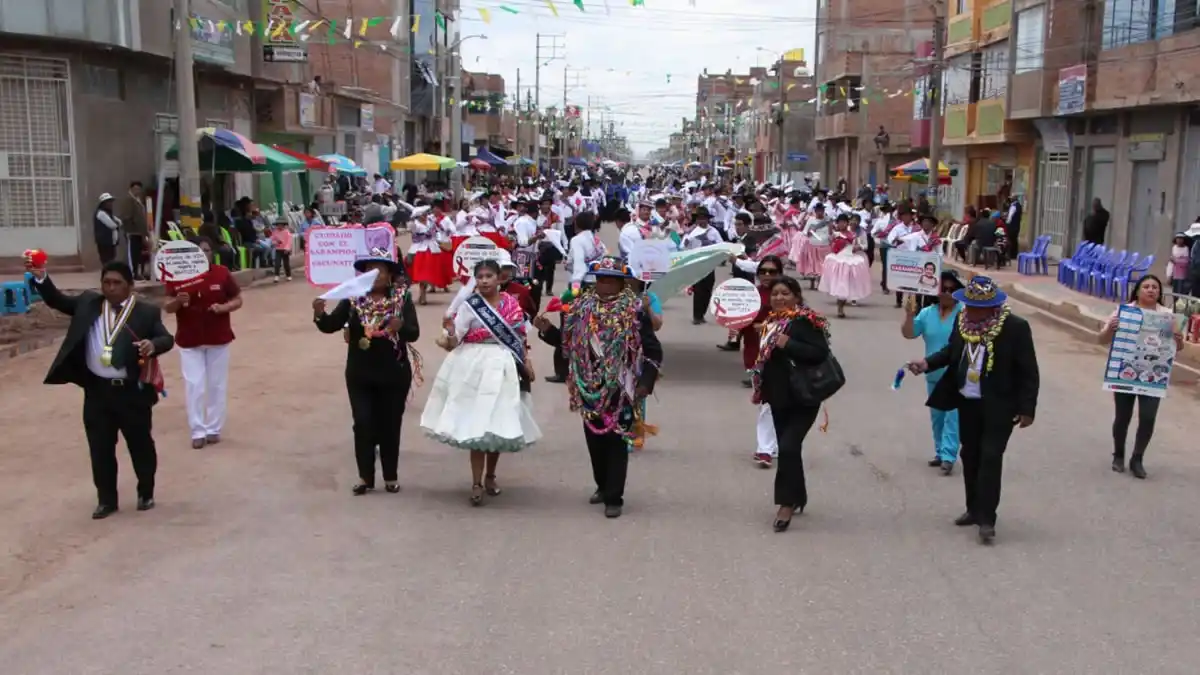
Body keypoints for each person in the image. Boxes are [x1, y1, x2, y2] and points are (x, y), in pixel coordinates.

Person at [26, 257, 175, 518]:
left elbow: (165, 337)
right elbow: (57, 300)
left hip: (131, 392)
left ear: (129, 286)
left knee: (140, 445)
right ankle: (106, 500)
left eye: (117, 283)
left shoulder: (145, 311)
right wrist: (41, 277)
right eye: (106, 282)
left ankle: (145, 493)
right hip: (97, 391)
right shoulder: (88, 304)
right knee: (100, 447)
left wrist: (153, 345)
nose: (111, 288)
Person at [906, 276, 1040, 545]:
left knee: (991, 456)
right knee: (970, 454)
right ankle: (973, 508)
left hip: (999, 405)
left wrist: (1027, 409)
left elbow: (1029, 372)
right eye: (968, 305)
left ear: (993, 306)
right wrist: (926, 363)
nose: (973, 311)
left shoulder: (1015, 327)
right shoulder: (962, 321)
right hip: (968, 401)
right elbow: (950, 352)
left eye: (979, 307)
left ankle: (988, 519)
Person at [548, 256, 662, 518]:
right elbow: (566, 345)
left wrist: (645, 383)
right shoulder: (580, 309)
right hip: (588, 385)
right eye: (601, 280)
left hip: (620, 387)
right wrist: (546, 331)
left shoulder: (634, 312)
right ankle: (602, 484)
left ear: (622, 284)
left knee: (617, 441)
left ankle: (614, 496)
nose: (606, 285)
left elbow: (653, 351)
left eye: (612, 280)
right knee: (595, 441)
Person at [421, 260, 541, 505]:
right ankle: (476, 482)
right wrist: (451, 331)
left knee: (495, 421)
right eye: (481, 277)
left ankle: (491, 476)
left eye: (489, 276)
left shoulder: (511, 304)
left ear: (500, 278)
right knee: (477, 424)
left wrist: (526, 361)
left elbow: (519, 335)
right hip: (473, 365)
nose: (485, 280)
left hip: (503, 364)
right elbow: (454, 342)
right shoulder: (469, 306)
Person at [313, 249, 421, 495]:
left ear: (390, 275)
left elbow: (414, 333)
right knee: (362, 423)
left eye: (380, 270)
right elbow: (331, 325)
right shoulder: (353, 299)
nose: (375, 275)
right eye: (370, 269)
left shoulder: (402, 299)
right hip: (360, 372)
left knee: (390, 425)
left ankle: (391, 476)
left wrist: (400, 327)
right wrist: (319, 314)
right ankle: (365, 477)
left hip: (394, 372)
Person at [750, 276, 831, 532]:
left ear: (796, 296)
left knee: (786, 446)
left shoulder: (805, 321)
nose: (779, 298)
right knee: (789, 448)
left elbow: (820, 352)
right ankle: (799, 495)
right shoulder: (771, 322)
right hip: (778, 396)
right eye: (775, 294)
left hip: (804, 396)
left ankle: (785, 504)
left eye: (785, 293)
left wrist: (789, 344)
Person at [1098, 274, 1185, 479]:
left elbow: (1176, 348)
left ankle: (1137, 458)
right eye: (1146, 286)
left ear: (1160, 293)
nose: (1151, 290)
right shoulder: (1123, 311)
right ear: (1137, 291)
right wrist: (1110, 329)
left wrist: (1178, 339)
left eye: (1155, 287)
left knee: (1148, 417)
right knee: (1123, 416)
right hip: (1125, 373)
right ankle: (1118, 454)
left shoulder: (1168, 316)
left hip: (1153, 376)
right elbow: (1100, 339)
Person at [163, 236, 243, 449]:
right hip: (190, 340)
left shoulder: (221, 273)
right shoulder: (177, 276)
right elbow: (167, 306)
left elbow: (237, 299)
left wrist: (224, 308)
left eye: (206, 250)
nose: (202, 254)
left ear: (211, 253)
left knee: (216, 385)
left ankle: (213, 428)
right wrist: (178, 302)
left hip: (218, 338)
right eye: (197, 251)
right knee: (195, 385)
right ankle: (198, 430)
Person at [901, 270, 964, 475]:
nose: (946, 293)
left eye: (951, 289)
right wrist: (909, 315)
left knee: (952, 417)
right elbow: (909, 333)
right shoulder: (927, 313)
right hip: (933, 374)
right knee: (937, 417)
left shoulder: (964, 313)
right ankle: (939, 452)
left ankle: (948, 455)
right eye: (942, 289)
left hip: (956, 376)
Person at [746, 257, 783, 465]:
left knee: (773, 402)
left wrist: (769, 328)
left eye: (772, 271)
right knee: (767, 401)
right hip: (756, 354)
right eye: (763, 271)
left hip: (782, 355)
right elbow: (741, 321)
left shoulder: (786, 294)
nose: (767, 275)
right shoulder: (750, 294)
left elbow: (796, 321)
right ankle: (768, 447)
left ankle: (767, 448)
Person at [818, 213, 872, 318]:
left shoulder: (853, 235)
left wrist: (858, 247)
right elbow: (830, 241)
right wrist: (830, 232)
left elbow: (862, 245)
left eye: (843, 222)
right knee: (839, 284)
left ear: (847, 223)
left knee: (847, 284)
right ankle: (840, 307)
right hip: (838, 261)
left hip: (849, 261)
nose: (841, 224)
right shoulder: (836, 234)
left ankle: (842, 306)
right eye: (839, 222)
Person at [682, 206, 723, 325]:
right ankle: (697, 316)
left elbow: (721, 245)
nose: (702, 221)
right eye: (699, 218)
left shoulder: (713, 232)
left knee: (708, 290)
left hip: (710, 264)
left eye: (704, 218)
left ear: (708, 219)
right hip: (697, 264)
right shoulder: (692, 232)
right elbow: (684, 247)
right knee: (698, 290)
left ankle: (702, 313)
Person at [118, 181, 150, 280]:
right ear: (131, 189)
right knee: (132, 254)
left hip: (139, 232)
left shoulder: (138, 200)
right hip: (132, 232)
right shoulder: (129, 200)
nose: (137, 191)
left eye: (139, 189)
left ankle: (137, 272)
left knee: (138, 254)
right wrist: (131, 227)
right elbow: (126, 216)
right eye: (135, 189)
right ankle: (133, 273)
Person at [94, 193, 122, 265]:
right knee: (106, 260)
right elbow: (112, 225)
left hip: (110, 242)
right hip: (104, 242)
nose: (110, 204)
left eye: (110, 201)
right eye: (108, 202)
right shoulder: (101, 213)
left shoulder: (109, 213)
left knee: (111, 259)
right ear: (103, 203)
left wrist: (117, 223)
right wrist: (117, 224)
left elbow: (119, 222)